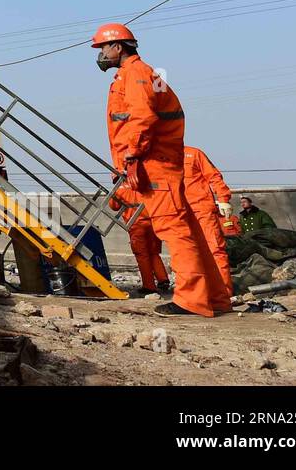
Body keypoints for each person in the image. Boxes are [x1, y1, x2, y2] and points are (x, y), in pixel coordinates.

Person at [92, 23, 231, 317]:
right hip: (155, 164)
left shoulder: (136, 74)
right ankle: (215, 297)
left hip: (154, 165)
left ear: (118, 46)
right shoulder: (135, 74)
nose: (101, 54)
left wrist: (131, 155)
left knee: (175, 231)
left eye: (103, 47)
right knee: (187, 231)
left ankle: (191, 300)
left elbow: (143, 117)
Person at [183, 146, 234, 295]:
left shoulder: (193, 154)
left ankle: (223, 292)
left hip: (201, 209)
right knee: (186, 252)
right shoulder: (162, 157)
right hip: (179, 213)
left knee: (215, 249)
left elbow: (214, 176)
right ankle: (197, 291)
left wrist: (223, 198)